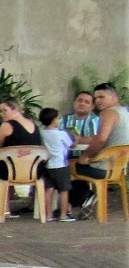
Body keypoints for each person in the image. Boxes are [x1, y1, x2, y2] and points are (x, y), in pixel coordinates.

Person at [70, 82, 129, 213]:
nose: (97, 101)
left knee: (67, 166)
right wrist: (82, 140)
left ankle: (84, 199)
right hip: (119, 168)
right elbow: (101, 136)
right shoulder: (124, 112)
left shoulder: (108, 113)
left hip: (103, 168)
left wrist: (86, 155)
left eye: (101, 97)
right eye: (96, 98)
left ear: (113, 96)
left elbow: (101, 139)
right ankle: (86, 199)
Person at [0, 98, 43, 182]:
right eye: (1, 111)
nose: (2, 114)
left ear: (16, 109)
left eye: (5, 110)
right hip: (34, 171)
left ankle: (3, 194)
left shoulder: (6, 126)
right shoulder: (33, 124)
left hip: (12, 172)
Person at [38, 108, 75, 222]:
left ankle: (48, 214)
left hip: (48, 165)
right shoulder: (61, 133)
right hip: (61, 164)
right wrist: (76, 140)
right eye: (58, 118)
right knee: (64, 190)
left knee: (49, 189)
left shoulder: (42, 133)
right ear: (54, 120)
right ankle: (63, 215)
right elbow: (71, 145)